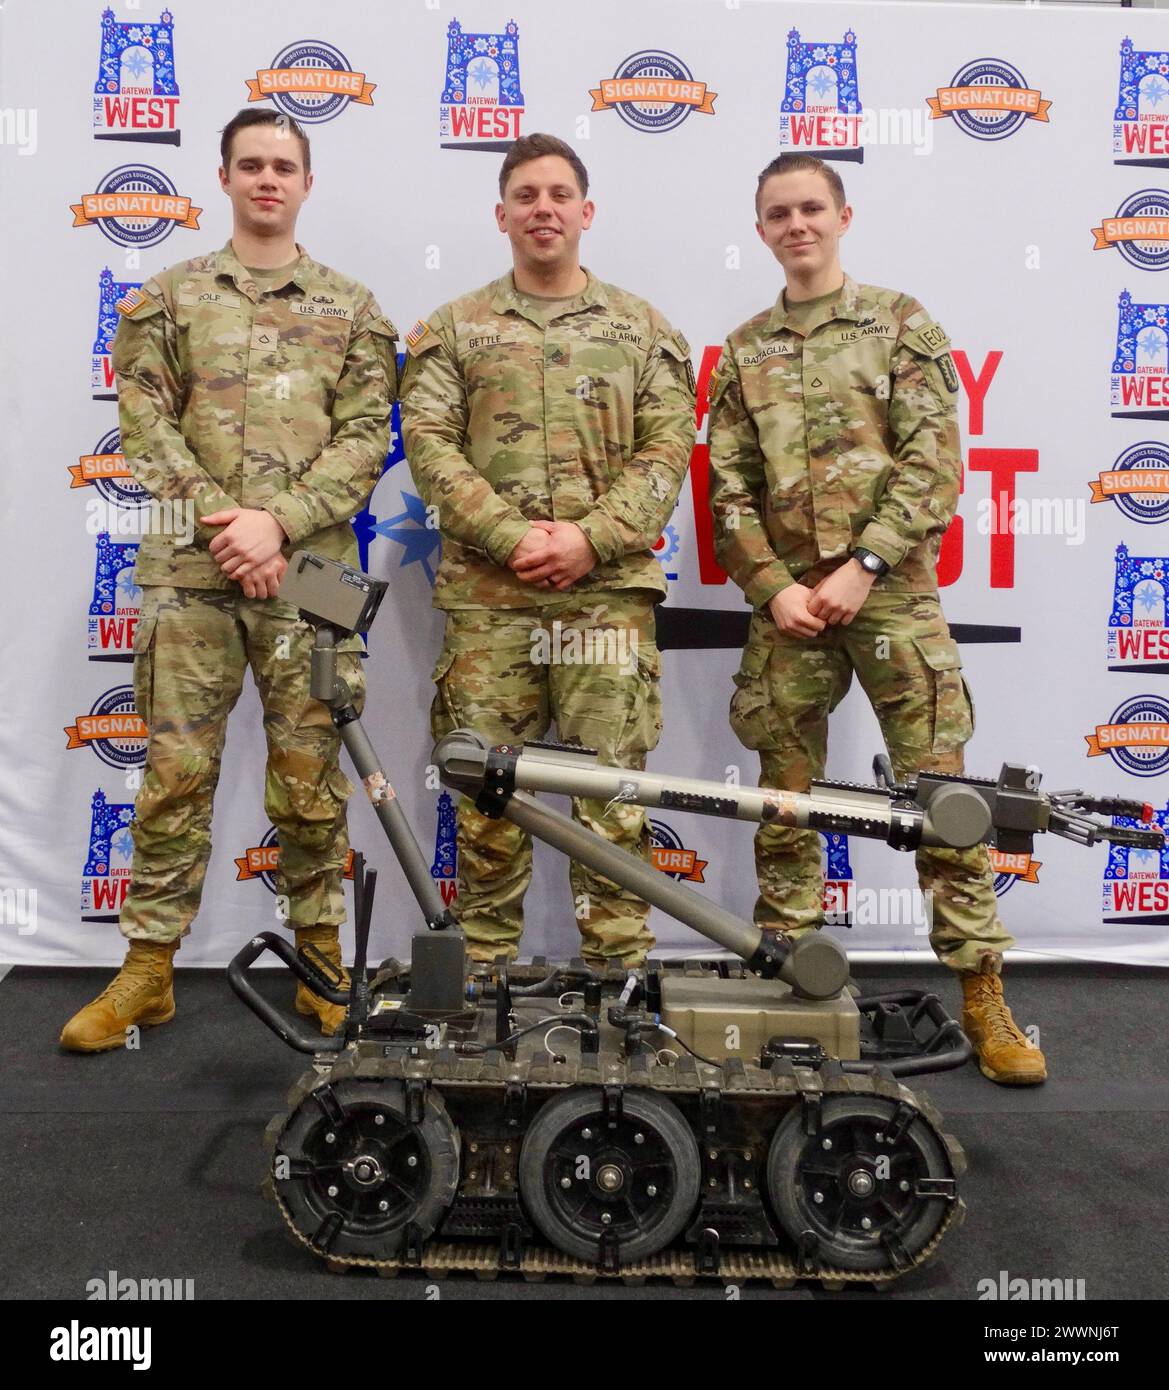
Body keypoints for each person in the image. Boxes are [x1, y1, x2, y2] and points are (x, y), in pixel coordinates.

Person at [60, 109, 397, 1052]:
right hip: (191, 571)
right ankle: (148, 971)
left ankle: (321, 962)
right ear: (223, 177)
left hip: (312, 576)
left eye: (283, 166)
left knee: (311, 775)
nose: (267, 179)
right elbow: (144, 425)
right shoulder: (166, 299)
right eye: (250, 164)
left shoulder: (354, 309)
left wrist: (276, 523)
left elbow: (369, 438)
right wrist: (228, 521)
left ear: (305, 182)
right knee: (173, 774)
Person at [708, 153, 1046, 1085]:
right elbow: (727, 488)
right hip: (786, 607)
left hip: (888, 592)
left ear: (842, 216)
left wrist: (862, 564)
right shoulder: (743, 350)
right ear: (761, 229)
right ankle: (789, 978)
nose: (796, 225)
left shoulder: (900, 323)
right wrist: (773, 585)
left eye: (811, 207)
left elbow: (934, 460)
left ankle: (982, 993)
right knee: (784, 797)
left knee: (945, 799)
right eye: (778, 213)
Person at [400, 132, 695, 968]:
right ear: (500, 214)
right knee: (486, 801)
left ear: (585, 211)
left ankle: (619, 988)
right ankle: (484, 984)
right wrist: (511, 537)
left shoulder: (642, 329)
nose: (542, 209)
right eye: (525, 195)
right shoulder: (455, 330)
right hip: (490, 603)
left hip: (605, 599)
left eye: (558, 194)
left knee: (613, 801)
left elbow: (667, 449)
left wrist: (589, 540)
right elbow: (428, 445)